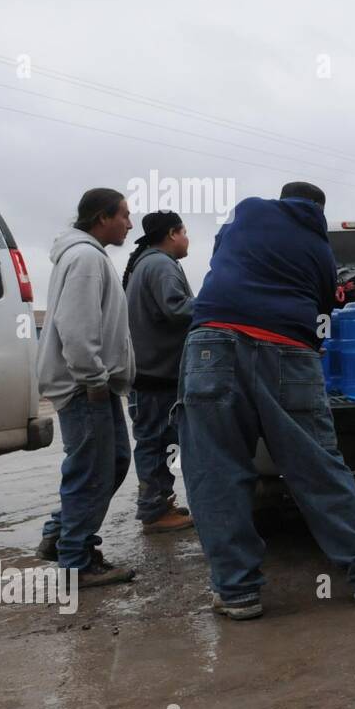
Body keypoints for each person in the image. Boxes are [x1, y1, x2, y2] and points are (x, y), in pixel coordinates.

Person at [178, 182, 355, 620]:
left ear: (282, 197)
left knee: (215, 471)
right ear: (319, 208)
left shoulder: (246, 212)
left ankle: (238, 592)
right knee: (316, 467)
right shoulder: (319, 246)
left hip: (213, 342)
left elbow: (222, 253)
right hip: (287, 349)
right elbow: (323, 307)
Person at [35, 188, 138, 587]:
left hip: (95, 384)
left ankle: (61, 536)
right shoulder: (85, 259)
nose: (130, 224)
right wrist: (93, 379)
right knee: (91, 470)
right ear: (102, 217)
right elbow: (76, 328)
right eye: (124, 215)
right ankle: (76, 561)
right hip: (85, 386)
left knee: (110, 463)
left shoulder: (89, 256)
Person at [122, 210, 197, 535]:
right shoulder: (161, 265)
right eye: (184, 232)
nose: (187, 238)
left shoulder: (150, 262)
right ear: (171, 234)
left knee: (160, 441)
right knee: (155, 443)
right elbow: (177, 309)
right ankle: (154, 512)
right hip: (156, 375)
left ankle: (160, 502)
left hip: (152, 372)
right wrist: (216, 302)